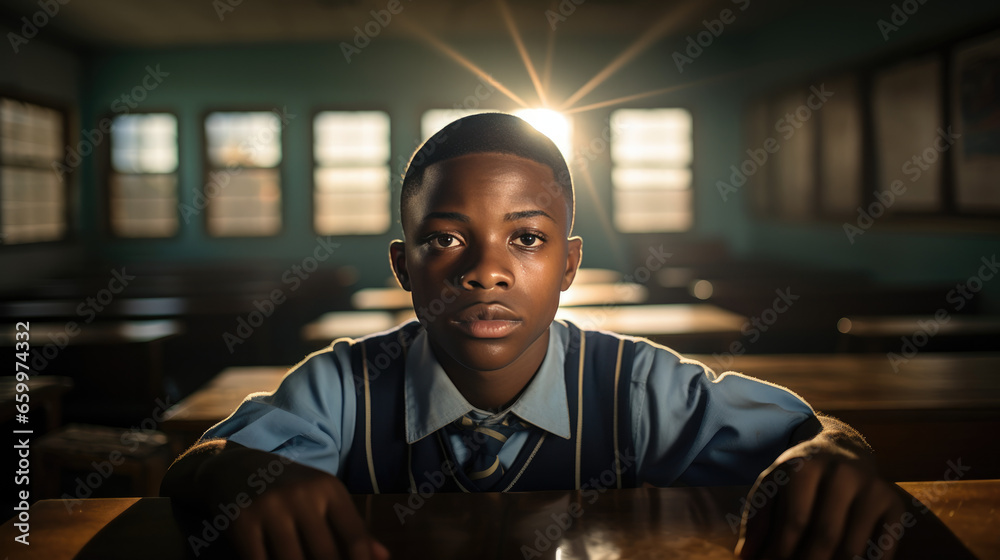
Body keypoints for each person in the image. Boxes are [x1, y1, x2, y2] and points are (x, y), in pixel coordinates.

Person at [161, 112, 905, 560]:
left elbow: (813, 438)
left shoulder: (637, 388)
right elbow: (202, 466)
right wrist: (227, 474)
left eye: (526, 238)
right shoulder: (341, 388)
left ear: (570, 264)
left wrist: (833, 451)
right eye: (447, 239)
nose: (486, 271)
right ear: (403, 266)